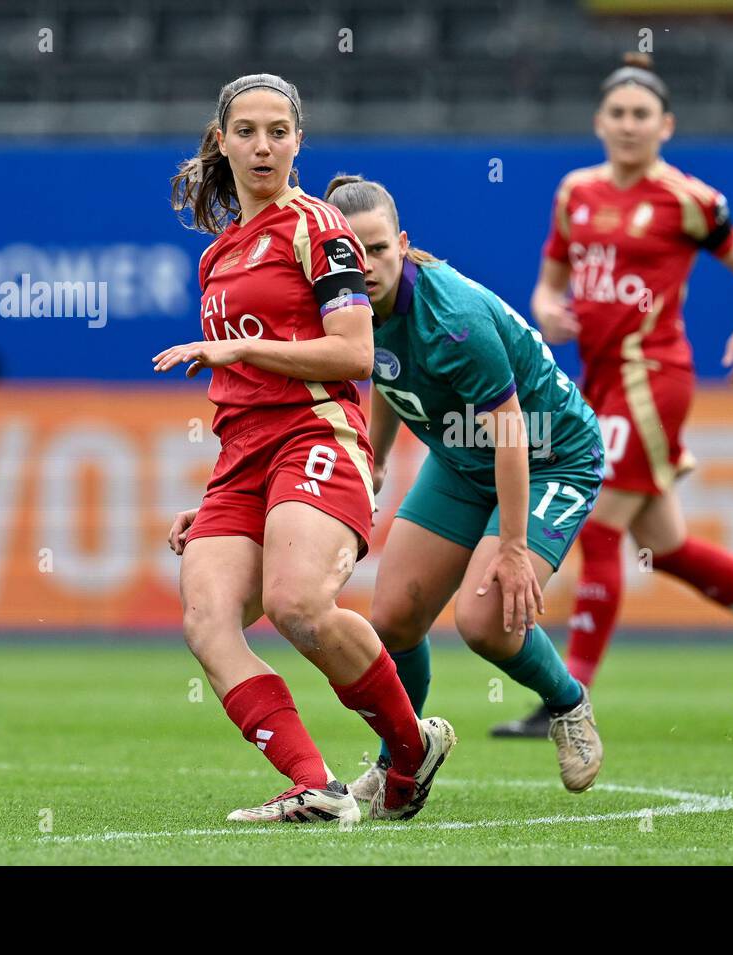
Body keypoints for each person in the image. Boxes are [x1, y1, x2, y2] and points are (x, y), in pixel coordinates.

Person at [494, 53, 733, 738]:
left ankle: (569, 699)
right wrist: (549, 307)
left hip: (653, 379)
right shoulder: (575, 192)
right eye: (618, 114)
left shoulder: (689, 199)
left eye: (642, 115)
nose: (629, 126)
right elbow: (548, 281)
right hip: (597, 381)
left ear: (666, 125)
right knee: (668, 543)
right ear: (600, 121)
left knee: (595, 524)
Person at [158, 73, 453, 823]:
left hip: (317, 435)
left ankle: (408, 749)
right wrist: (219, 501)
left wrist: (240, 349)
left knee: (298, 604)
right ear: (221, 142)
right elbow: (240, 390)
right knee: (206, 619)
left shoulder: (318, 227)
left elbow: (355, 354)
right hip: (241, 461)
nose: (263, 146)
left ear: (298, 141)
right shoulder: (216, 256)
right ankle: (314, 783)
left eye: (279, 132)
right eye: (247, 131)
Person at [323, 175, 605, 798]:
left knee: (485, 623)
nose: (366, 267)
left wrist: (511, 545)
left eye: (378, 250)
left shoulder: (453, 320)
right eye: (351, 254)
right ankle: (402, 758)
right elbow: (390, 376)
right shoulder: (349, 309)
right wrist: (376, 458)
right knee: (393, 620)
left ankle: (568, 704)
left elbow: (511, 434)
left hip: (551, 455)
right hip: (462, 460)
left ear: (402, 244)